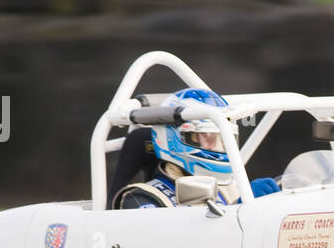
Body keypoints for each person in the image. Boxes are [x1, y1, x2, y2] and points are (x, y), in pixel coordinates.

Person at [111, 89, 280, 208]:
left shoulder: (225, 185)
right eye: (208, 138)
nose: (219, 147)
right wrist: (238, 212)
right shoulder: (140, 198)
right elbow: (171, 246)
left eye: (223, 140)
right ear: (172, 138)